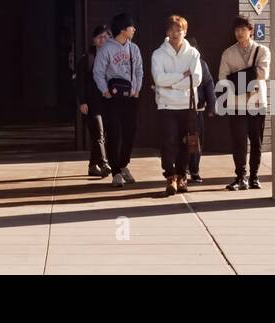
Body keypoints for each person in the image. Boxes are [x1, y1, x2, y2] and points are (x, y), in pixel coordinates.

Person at [218, 15, 271, 190]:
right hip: (236, 104)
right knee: (238, 141)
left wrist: (237, 76)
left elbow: (263, 74)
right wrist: (248, 74)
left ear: (250, 31)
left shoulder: (262, 50)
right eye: (237, 30)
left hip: (257, 102)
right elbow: (223, 78)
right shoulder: (228, 52)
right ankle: (241, 176)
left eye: (243, 29)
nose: (239, 33)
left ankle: (255, 176)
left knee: (256, 141)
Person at [151, 15, 202, 195]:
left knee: (186, 143)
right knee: (168, 142)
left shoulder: (193, 53)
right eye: (171, 29)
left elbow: (196, 78)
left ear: (185, 32)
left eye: (178, 30)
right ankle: (170, 176)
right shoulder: (158, 54)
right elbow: (158, 79)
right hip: (166, 106)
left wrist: (170, 83)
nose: (175, 33)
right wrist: (182, 76)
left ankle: (182, 176)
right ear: (167, 32)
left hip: (187, 105)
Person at [93, 13, 144, 187]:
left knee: (130, 134)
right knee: (114, 134)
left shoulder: (134, 49)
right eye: (131, 27)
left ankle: (123, 165)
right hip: (112, 99)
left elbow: (139, 71)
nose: (134, 29)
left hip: (130, 98)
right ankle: (116, 172)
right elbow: (98, 72)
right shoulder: (106, 48)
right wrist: (105, 91)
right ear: (123, 29)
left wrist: (137, 90)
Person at [76, 24, 112, 177]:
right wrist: (82, 101)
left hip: (108, 102)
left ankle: (92, 165)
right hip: (92, 102)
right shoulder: (87, 58)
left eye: (106, 37)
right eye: (100, 37)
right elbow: (80, 82)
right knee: (98, 132)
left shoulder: (112, 56)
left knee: (104, 134)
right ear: (94, 40)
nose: (103, 40)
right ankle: (104, 163)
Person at [189, 50, 216, 183]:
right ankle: (180, 170)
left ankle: (194, 170)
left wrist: (212, 106)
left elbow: (209, 85)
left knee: (195, 142)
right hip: (177, 107)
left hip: (197, 109)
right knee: (178, 141)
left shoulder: (201, 64)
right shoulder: (176, 63)